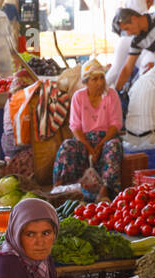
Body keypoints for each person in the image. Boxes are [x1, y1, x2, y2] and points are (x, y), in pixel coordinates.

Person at [53, 58, 124, 199]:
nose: (100, 82)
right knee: (68, 146)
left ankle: (104, 192)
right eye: (94, 79)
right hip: (84, 139)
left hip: (107, 138)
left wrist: (99, 146)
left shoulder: (111, 95)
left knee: (114, 146)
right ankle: (59, 189)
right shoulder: (78, 97)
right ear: (86, 82)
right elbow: (75, 126)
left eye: (102, 78)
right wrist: (89, 148)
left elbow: (115, 124)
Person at [106, 1, 155, 109]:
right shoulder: (138, 37)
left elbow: (116, 71)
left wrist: (104, 92)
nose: (128, 33)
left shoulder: (128, 39)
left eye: (127, 29)